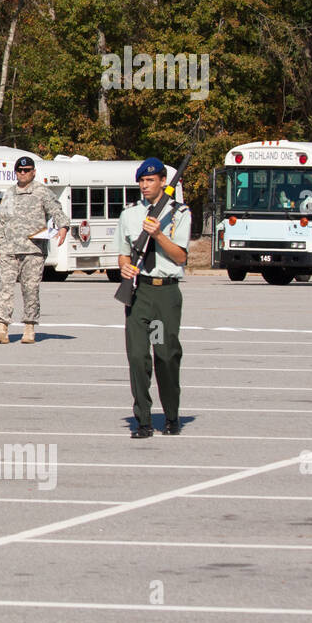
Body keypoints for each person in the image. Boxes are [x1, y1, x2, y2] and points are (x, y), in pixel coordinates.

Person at [117, 157, 190, 438]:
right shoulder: (130, 213)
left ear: (162, 182)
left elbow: (180, 256)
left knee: (164, 355)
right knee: (137, 357)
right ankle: (143, 420)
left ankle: (171, 415)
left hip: (165, 294)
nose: (145, 186)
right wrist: (124, 264)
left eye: (150, 181)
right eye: (141, 181)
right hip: (140, 292)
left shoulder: (179, 213)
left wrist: (158, 234)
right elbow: (123, 250)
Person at [0, 156, 70, 344]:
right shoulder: (9, 193)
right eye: (20, 170)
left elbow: (56, 210)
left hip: (33, 250)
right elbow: (1, 221)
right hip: (9, 249)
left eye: (27, 170)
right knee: (5, 288)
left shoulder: (41, 192)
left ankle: (29, 326)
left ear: (33, 172)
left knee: (30, 289)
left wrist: (63, 227)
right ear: (16, 172)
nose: (23, 173)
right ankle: (1, 328)